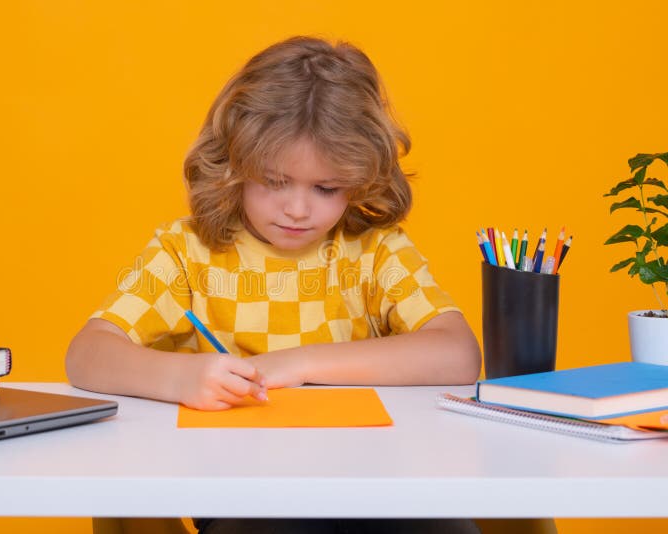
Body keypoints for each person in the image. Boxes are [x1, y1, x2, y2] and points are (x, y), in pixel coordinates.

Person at [66, 36, 481, 534]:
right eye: (275, 181)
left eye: (326, 188)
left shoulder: (376, 250)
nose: (299, 209)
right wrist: (180, 378)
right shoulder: (187, 252)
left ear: (360, 178)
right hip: (245, 496)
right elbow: (86, 353)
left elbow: (457, 354)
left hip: (375, 484)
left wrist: (297, 364)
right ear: (233, 166)